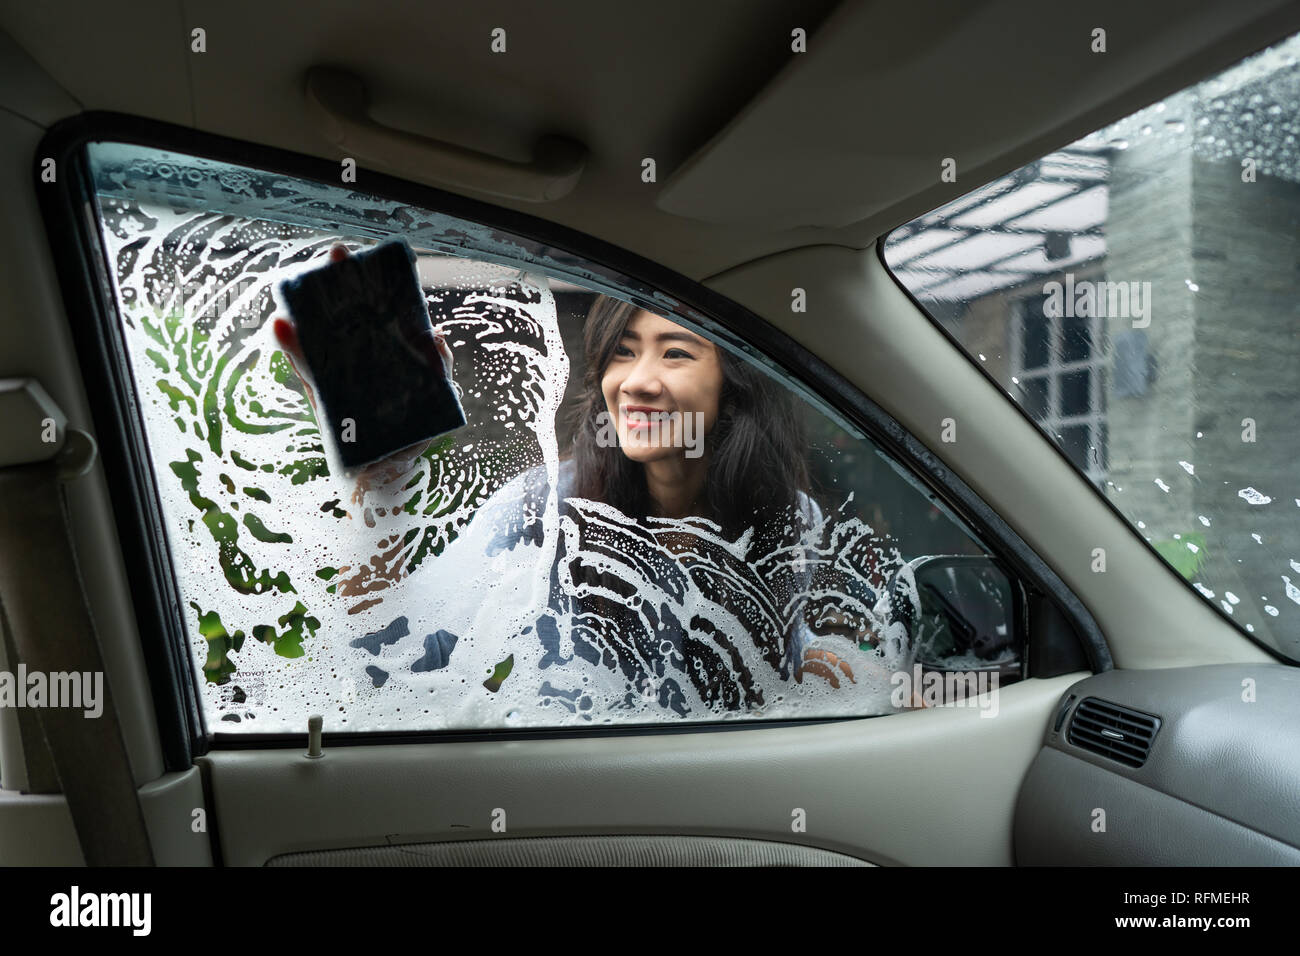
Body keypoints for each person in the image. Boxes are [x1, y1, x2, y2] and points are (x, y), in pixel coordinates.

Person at [273, 245, 872, 717]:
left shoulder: (790, 520)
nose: (637, 381)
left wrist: (812, 664)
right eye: (623, 351)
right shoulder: (542, 509)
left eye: (676, 354)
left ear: (735, 387)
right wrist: (379, 485)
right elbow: (400, 661)